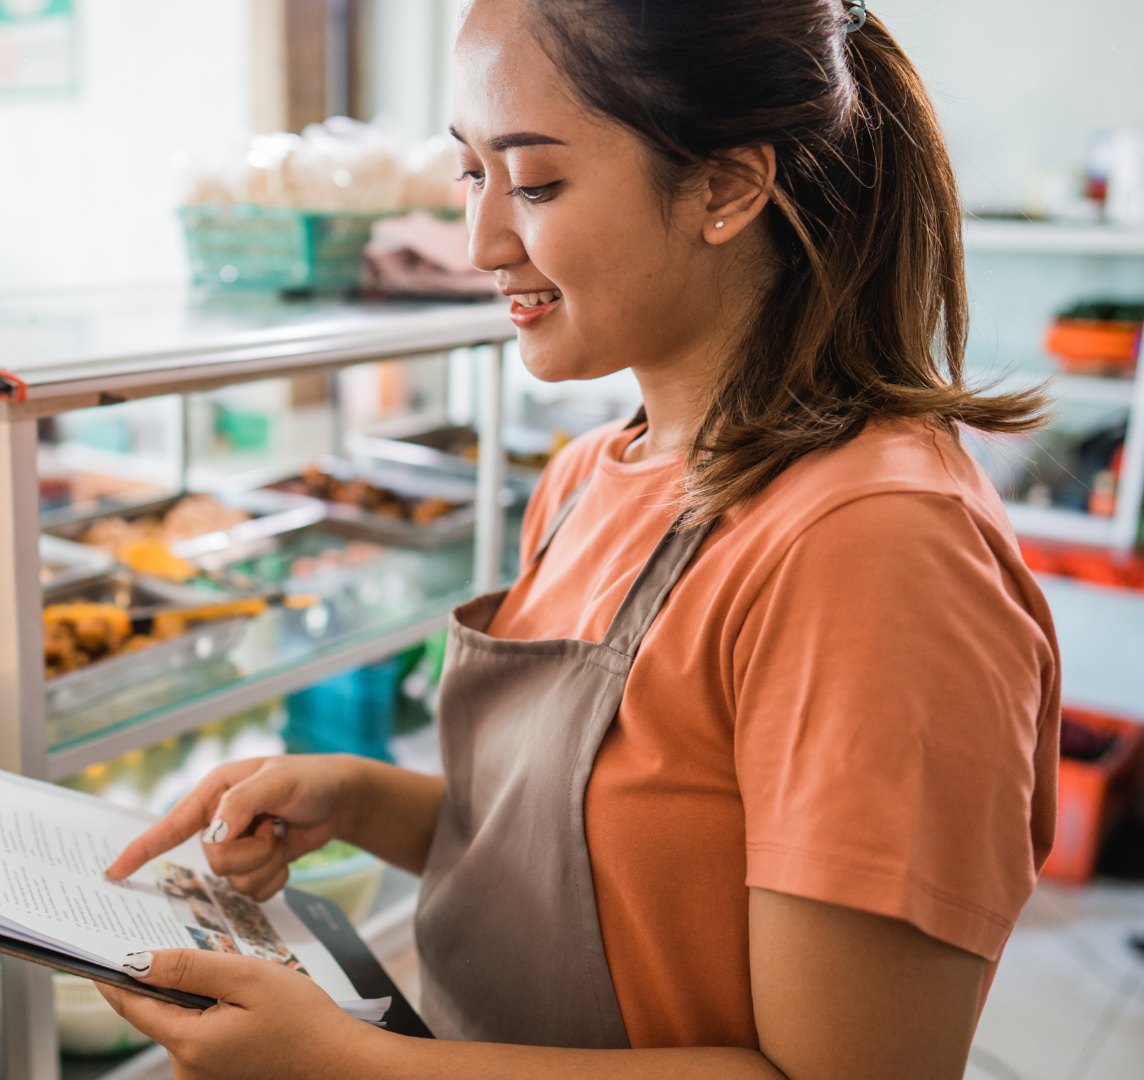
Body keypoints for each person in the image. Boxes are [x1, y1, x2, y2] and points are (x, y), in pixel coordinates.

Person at [98, 2, 1060, 1078]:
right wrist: (362, 800)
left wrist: (343, 1066)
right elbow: (616, 859)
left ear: (728, 187)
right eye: (471, 175)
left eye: (538, 183)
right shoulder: (587, 477)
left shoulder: (875, 552)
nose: (479, 243)